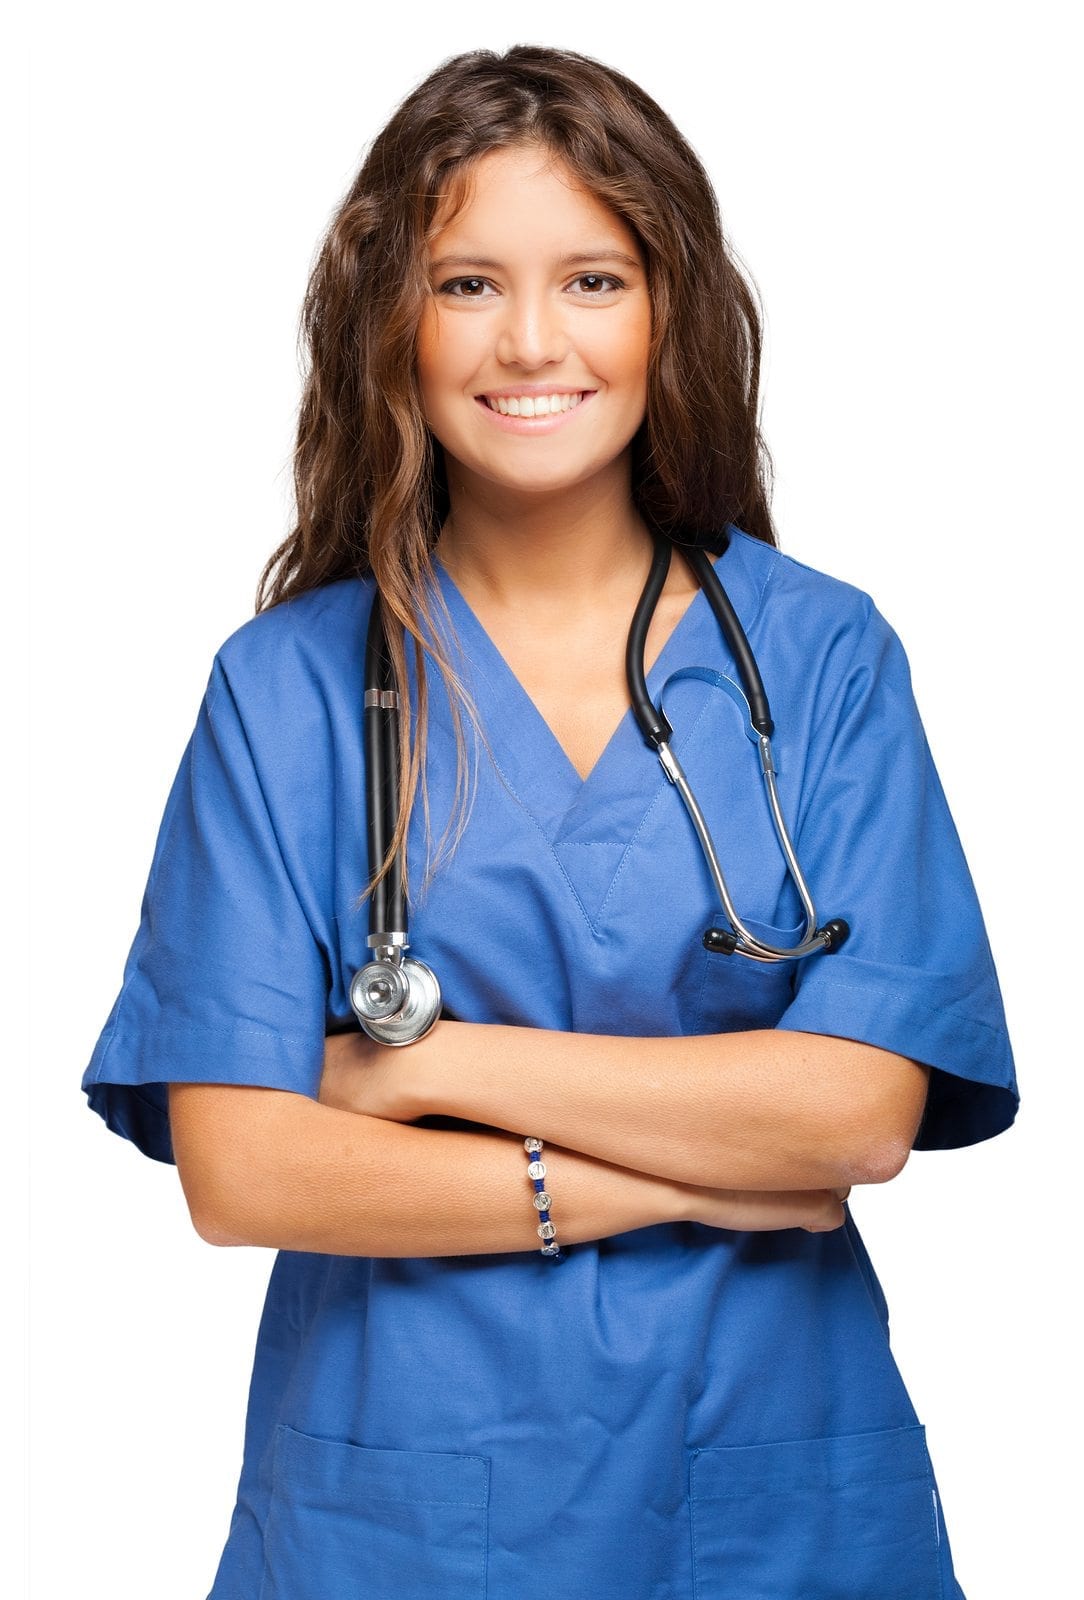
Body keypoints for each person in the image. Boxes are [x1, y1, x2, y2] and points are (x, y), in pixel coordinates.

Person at [81, 43, 1018, 1600]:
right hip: (402, 1524)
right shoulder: (288, 695)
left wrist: (425, 1068)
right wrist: (698, 1170)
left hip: (772, 1505)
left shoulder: (821, 656)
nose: (530, 341)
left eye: (592, 279)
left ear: (671, 313)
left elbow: (860, 1114)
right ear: (392, 322)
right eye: (466, 285)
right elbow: (242, 1168)